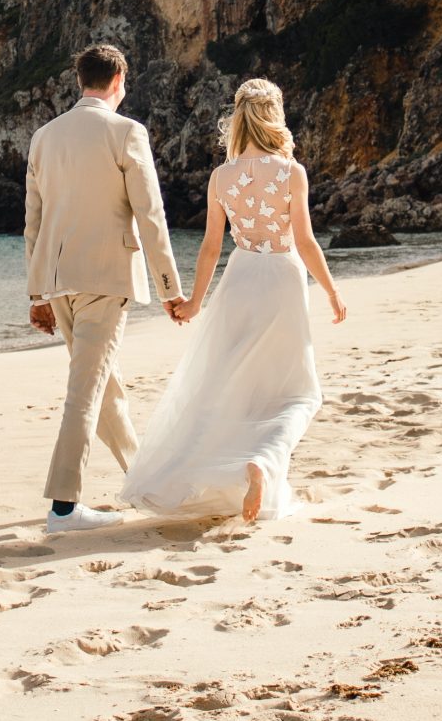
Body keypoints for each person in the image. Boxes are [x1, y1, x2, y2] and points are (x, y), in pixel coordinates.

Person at [121, 77, 346, 523]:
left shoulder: (221, 177)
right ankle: (262, 461)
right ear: (274, 118)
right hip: (282, 280)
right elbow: (305, 240)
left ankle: (233, 470)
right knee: (298, 393)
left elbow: (209, 247)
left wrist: (194, 302)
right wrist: (332, 290)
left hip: (240, 280)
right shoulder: (290, 173)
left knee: (233, 386)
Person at [22, 42, 189, 535]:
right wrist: (169, 291)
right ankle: (63, 507)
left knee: (106, 389)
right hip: (105, 277)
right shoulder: (127, 132)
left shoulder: (44, 137)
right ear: (119, 80)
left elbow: (33, 220)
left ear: (81, 82)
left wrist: (37, 295)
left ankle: (144, 480)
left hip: (58, 282)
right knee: (86, 391)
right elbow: (150, 215)